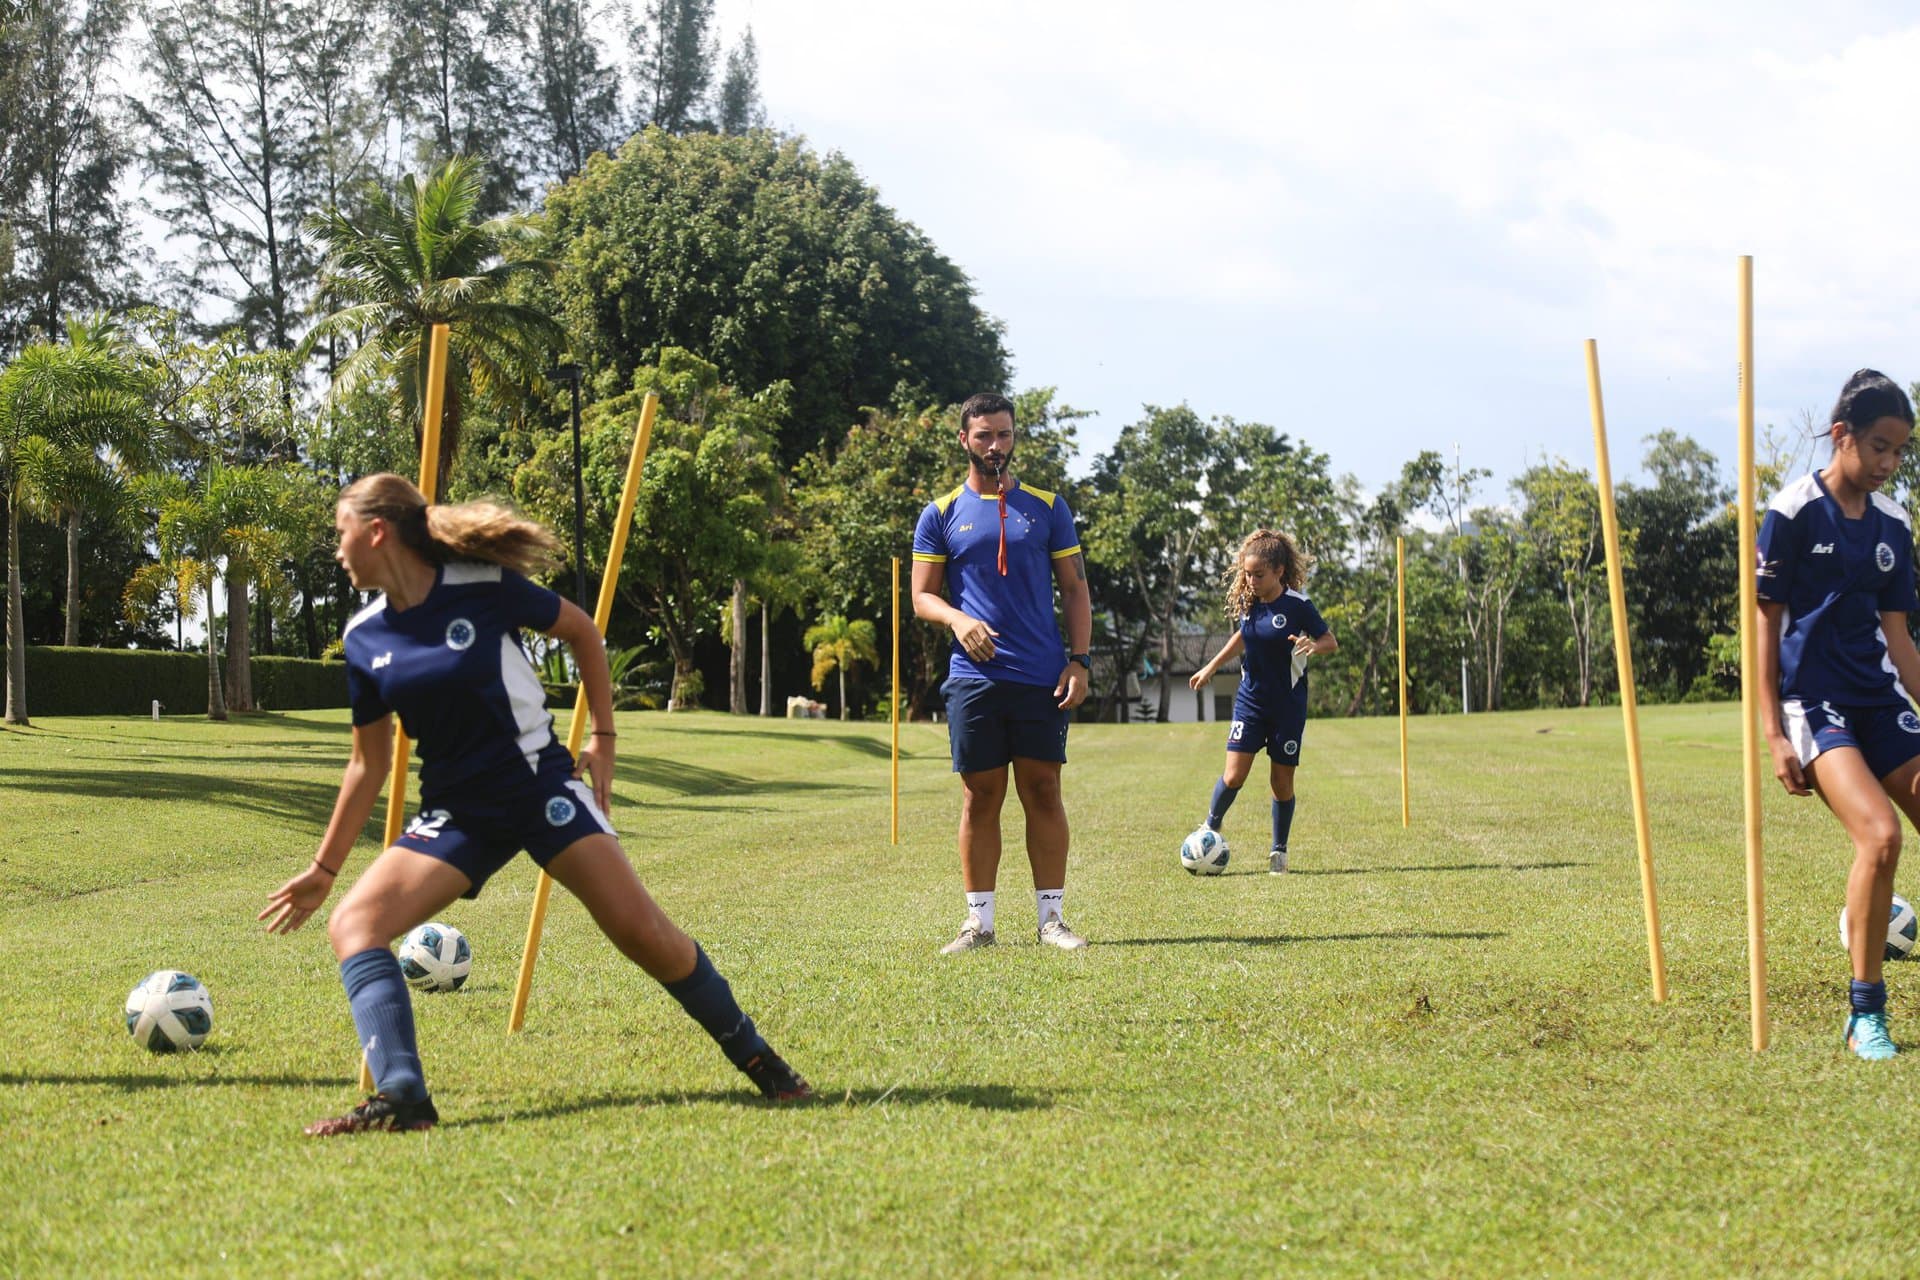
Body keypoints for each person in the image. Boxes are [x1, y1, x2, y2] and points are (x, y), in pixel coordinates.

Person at [260, 473, 810, 1135]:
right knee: (354, 926)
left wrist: (603, 737)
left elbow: (582, 633)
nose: (336, 547)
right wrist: (323, 871)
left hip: (539, 789)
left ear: (376, 531)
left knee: (645, 935)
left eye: (339, 531)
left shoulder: (481, 587)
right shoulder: (363, 638)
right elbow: (367, 763)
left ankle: (759, 1059)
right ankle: (403, 1100)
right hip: (458, 816)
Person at [1757, 369, 1920, 1062]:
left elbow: (1900, 638)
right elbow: (1763, 630)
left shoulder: (1894, 524)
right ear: (1843, 435)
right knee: (1880, 837)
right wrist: (1771, 734)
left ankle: (1872, 915)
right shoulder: (1792, 513)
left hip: (1878, 699)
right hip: (1812, 704)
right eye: (1879, 447)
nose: (1888, 464)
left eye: (1899, 453)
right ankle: (1865, 1014)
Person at [911, 393, 1093, 953]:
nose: (996, 445)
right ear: (964, 440)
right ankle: (978, 924)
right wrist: (959, 620)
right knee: (979, 797)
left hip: (1041, 677)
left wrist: (1080, 662)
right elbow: (921, 597)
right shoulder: (940, 513)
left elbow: (1076, 588)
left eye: (1004, 435)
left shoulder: (1048, 506)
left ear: (1015, 439)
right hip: (973, 679)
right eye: (984, 435)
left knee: (1043, 790)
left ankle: (1052, 920)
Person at [1185, 529, 1337, 874]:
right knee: (1234, 774)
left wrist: (1314, 646)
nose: (1251, 580)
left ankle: (1278, 852)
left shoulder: (1298, 606)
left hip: (1288, 707)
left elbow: (1330, 640)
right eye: (1247, 574)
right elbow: (1244, 635)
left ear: (1278, 571)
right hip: (1250, 703)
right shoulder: (1248, 602)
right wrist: (1211, 665)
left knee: (1281, 784)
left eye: (1258, 574)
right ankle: (1210, 828)